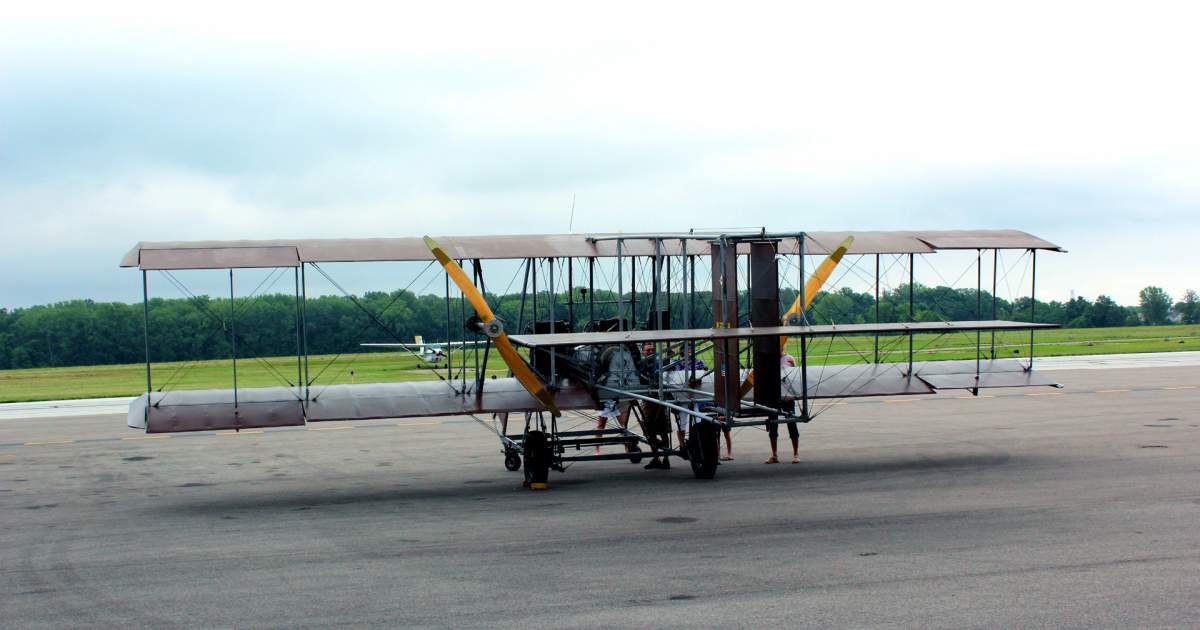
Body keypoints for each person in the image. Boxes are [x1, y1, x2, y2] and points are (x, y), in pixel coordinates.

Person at [765, 353, 800, 464]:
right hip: (774, 398)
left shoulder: (789, 358)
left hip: (787, 398)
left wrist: (794, 365)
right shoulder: (769, 359)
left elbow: (796, 376)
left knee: (792, 424)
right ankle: (774, 455)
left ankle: (796, 454)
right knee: (772, 426)